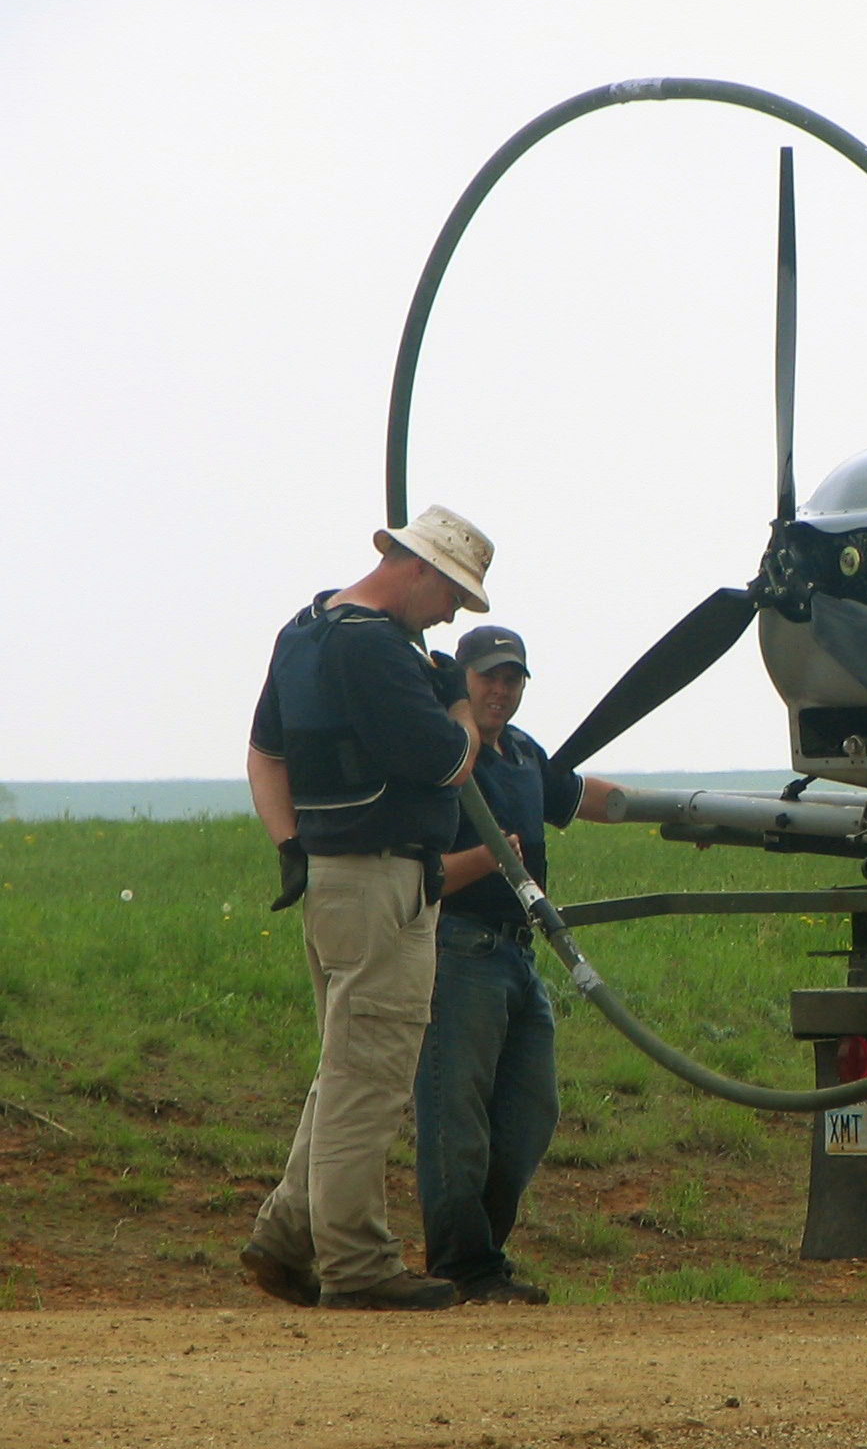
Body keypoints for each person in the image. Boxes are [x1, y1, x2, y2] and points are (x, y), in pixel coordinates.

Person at [240, 504, 494, 1310]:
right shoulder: (377, 651)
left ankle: (286, 1238)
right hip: (383, 880)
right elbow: (448, 761)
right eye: (453, 593)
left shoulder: (306, 632)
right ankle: (357, 1265)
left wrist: (291, 848)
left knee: (345, 1069)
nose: (453, 613)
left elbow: (265, 753)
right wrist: (456, 699)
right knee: (373, 1076)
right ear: (416, 569)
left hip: (330, 877)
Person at [413, 625, 622, 1305]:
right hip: (459, 949)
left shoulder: (528, 755)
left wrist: (686, 814)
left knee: (531, 1113)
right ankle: (463, 1266)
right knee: (457, 1116)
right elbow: (416, 872)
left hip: (521, 953)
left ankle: (484, 1256)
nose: (500, 690)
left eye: (512, 679)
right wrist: (489, 858)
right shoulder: (444, 759)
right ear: (461, 680)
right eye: (487, 678)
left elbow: (583, 796)